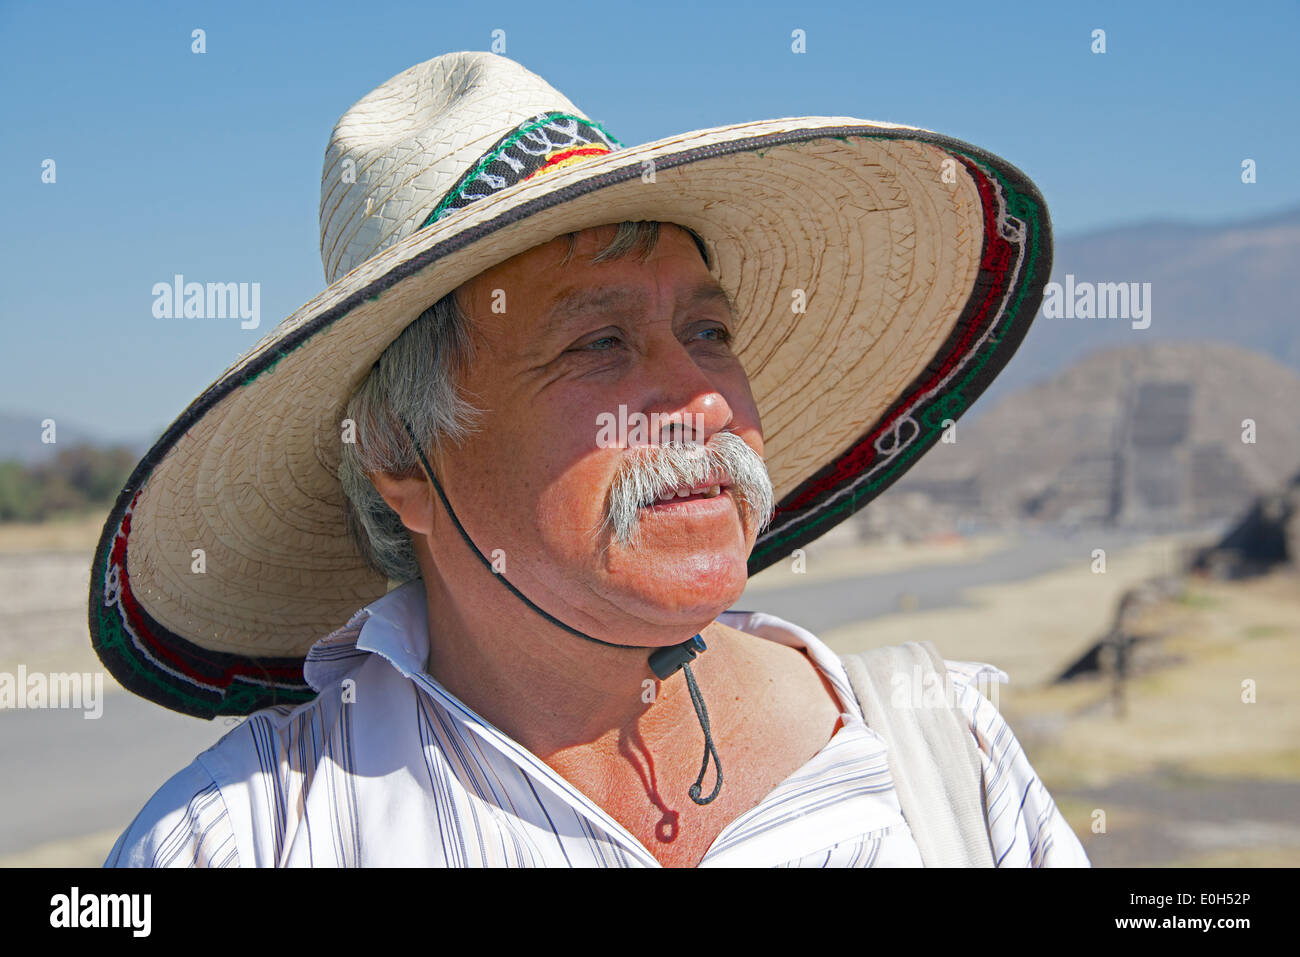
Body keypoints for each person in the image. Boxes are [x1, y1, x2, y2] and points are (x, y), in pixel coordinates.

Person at [94, 51, 1089, 867]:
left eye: (709, 333)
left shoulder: (941, 761)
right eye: (597, 344)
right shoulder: (244, 840)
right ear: (400, 454)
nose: (700, 402)